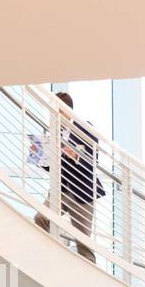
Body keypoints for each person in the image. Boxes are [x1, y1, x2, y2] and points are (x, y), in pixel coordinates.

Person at [33, 91, 105, 263]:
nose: (54, 114)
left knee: (83, 243)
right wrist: (39, 157)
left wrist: (75, 155)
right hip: (61, 189)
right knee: (40, 218)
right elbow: (54, 168)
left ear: (66, 111)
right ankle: (51, 255)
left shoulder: (83, 127)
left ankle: (89, 278)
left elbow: (92, 160)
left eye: (57, 110)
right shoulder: (54, 133)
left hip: (81, 191)